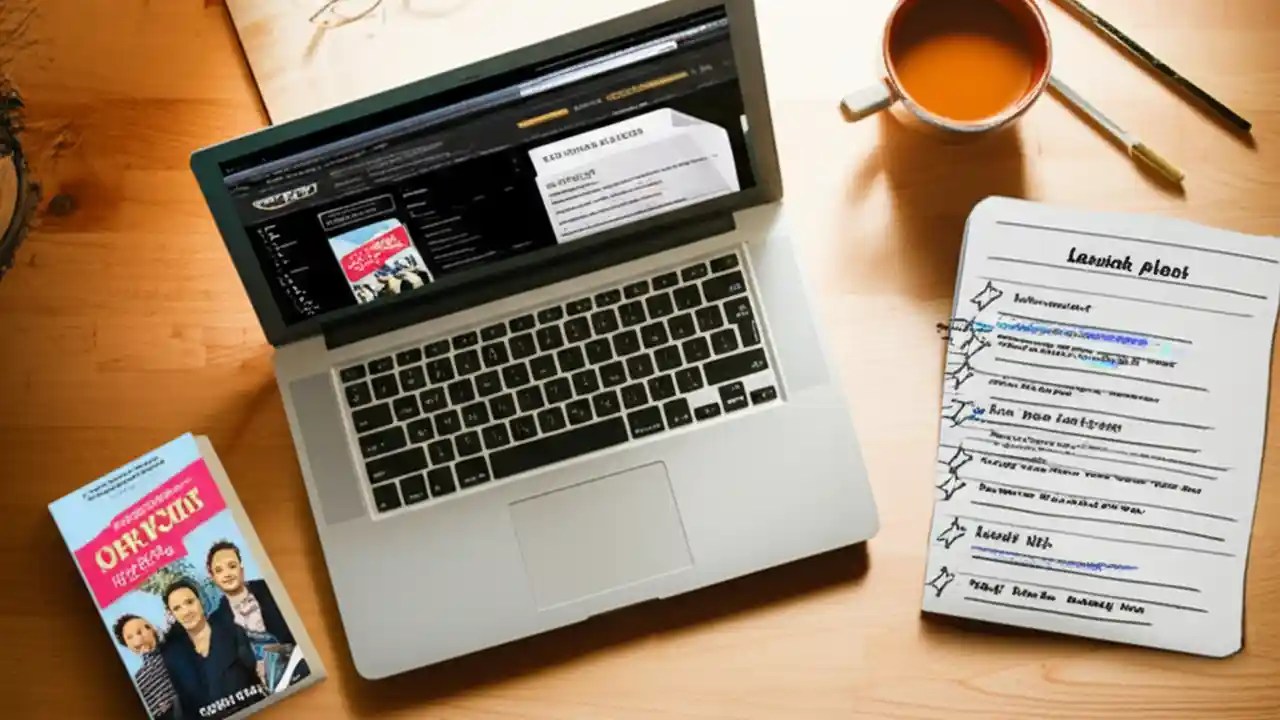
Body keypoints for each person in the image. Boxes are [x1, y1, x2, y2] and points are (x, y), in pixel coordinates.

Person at [159, 578, 263, 720]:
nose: (186, 611)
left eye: (189, 602)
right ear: (172, 615)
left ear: (200, 602)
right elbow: (188, 706)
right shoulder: (174, 656)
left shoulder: (232, 630)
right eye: (177, 608)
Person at [113, 614, 181, 720]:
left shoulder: (175, 647)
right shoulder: (138, 681)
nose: (138, 638)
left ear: (151, 629)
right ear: (128, 645)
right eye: (130, 637)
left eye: (140, 631)